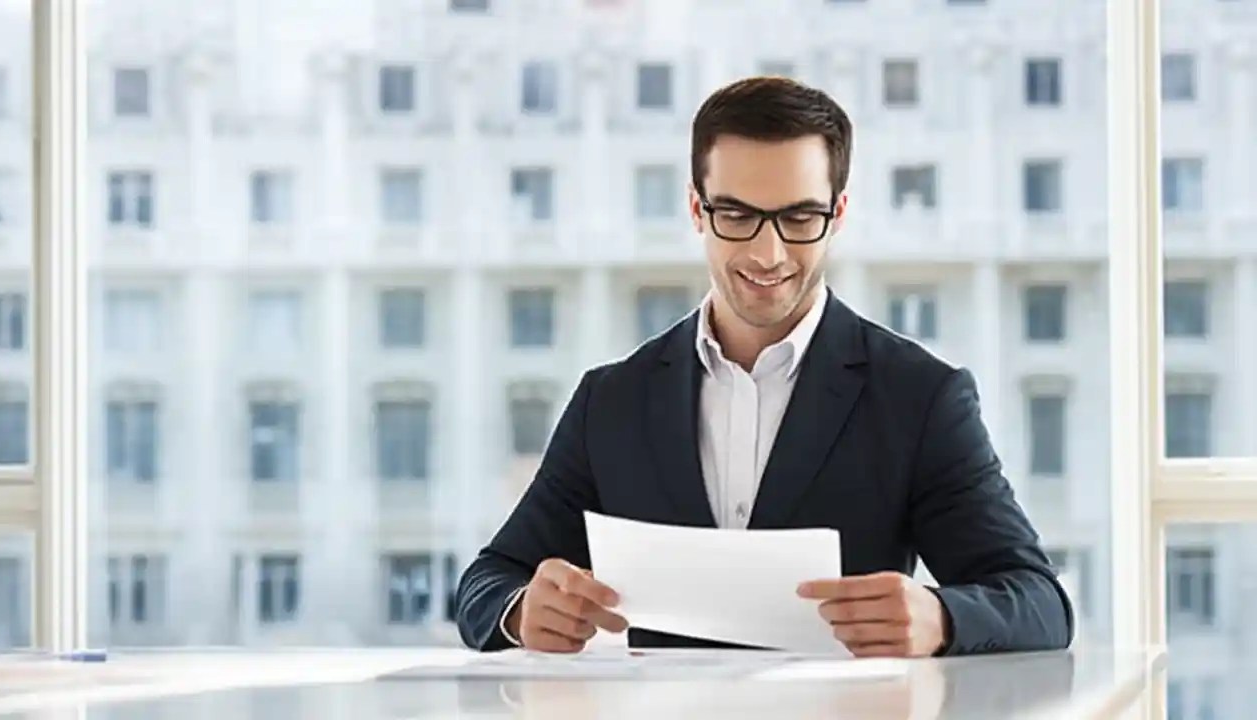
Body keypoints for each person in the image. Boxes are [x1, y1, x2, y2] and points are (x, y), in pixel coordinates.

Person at [455, 76, 1073, 657]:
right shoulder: (612, 400)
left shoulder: (919, 397)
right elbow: (488, 582)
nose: (767, 252)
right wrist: (519, 611)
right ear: (698, 211)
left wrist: (940, 618)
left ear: (838, 214)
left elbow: (1040, 602)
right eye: (737, 215)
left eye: (800, 218)